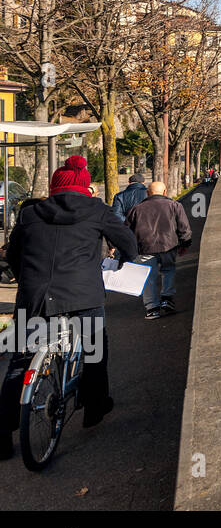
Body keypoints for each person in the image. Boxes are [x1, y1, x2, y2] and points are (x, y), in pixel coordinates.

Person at [1, 156, 139, 458]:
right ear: (83, 186)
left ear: (54, 187)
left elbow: (13, 255)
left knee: (18, 362)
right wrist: (123, 262)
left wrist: (24, 276)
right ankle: (94, 407)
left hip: (34, 296)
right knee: (94, 351)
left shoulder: (30, 213)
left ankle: (2, 435)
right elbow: (128, 242)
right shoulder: (97, 211)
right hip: (83, 295)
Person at [126, 182, 192, 320]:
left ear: (147, 193)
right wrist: (185, 243)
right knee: (168, 270)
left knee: (148, 277)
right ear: (165, 192)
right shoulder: (175, 206)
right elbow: (184, 227)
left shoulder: (136, 209)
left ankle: (152, 308)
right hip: (169, 246)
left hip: (144, 247)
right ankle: (167, 298)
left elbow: (126, 231)